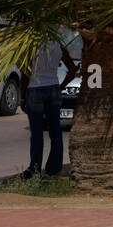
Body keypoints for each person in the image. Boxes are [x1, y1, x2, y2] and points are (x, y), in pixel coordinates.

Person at [20, 32, 79, 179]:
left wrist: (22, 97)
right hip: (53, 87)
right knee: (55, 131)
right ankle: (54, 167)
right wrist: (61, 86)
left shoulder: (31, 46)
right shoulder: (58, 45)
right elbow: (72, 70)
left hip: (35, 89)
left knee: (37, 132)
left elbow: (25, 74)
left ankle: (34, 169)